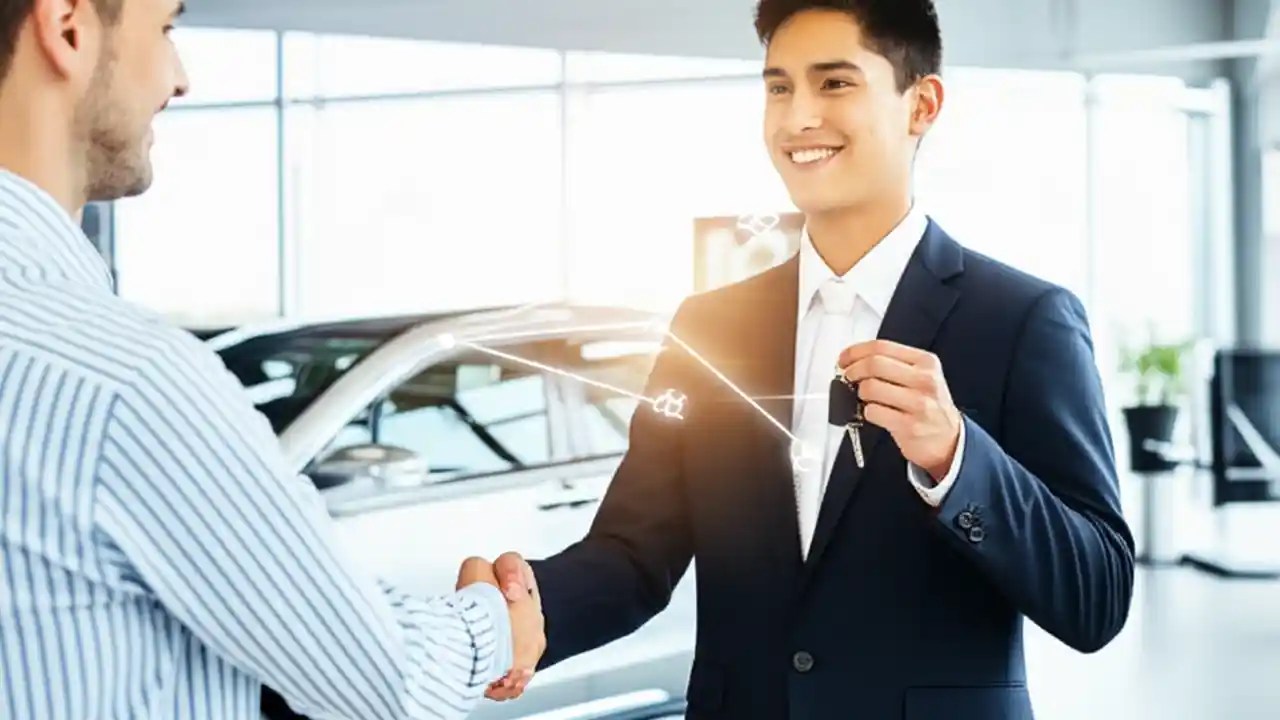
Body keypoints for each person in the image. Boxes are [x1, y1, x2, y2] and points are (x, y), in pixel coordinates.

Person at [478, 1, 1135, 717]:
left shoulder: (1023, 320)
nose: (796, 119)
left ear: (922, 104)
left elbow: (1096, 594)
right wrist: (534, 607)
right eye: (778, 87)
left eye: (835, 84)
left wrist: (957, 459)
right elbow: (635, 554)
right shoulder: (709, 326)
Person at [0, 1, 543, 718]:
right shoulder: (124, 381)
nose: (180, 77)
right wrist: (491, 624)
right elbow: (385, 685)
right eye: (165, 28)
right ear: (67, 26)